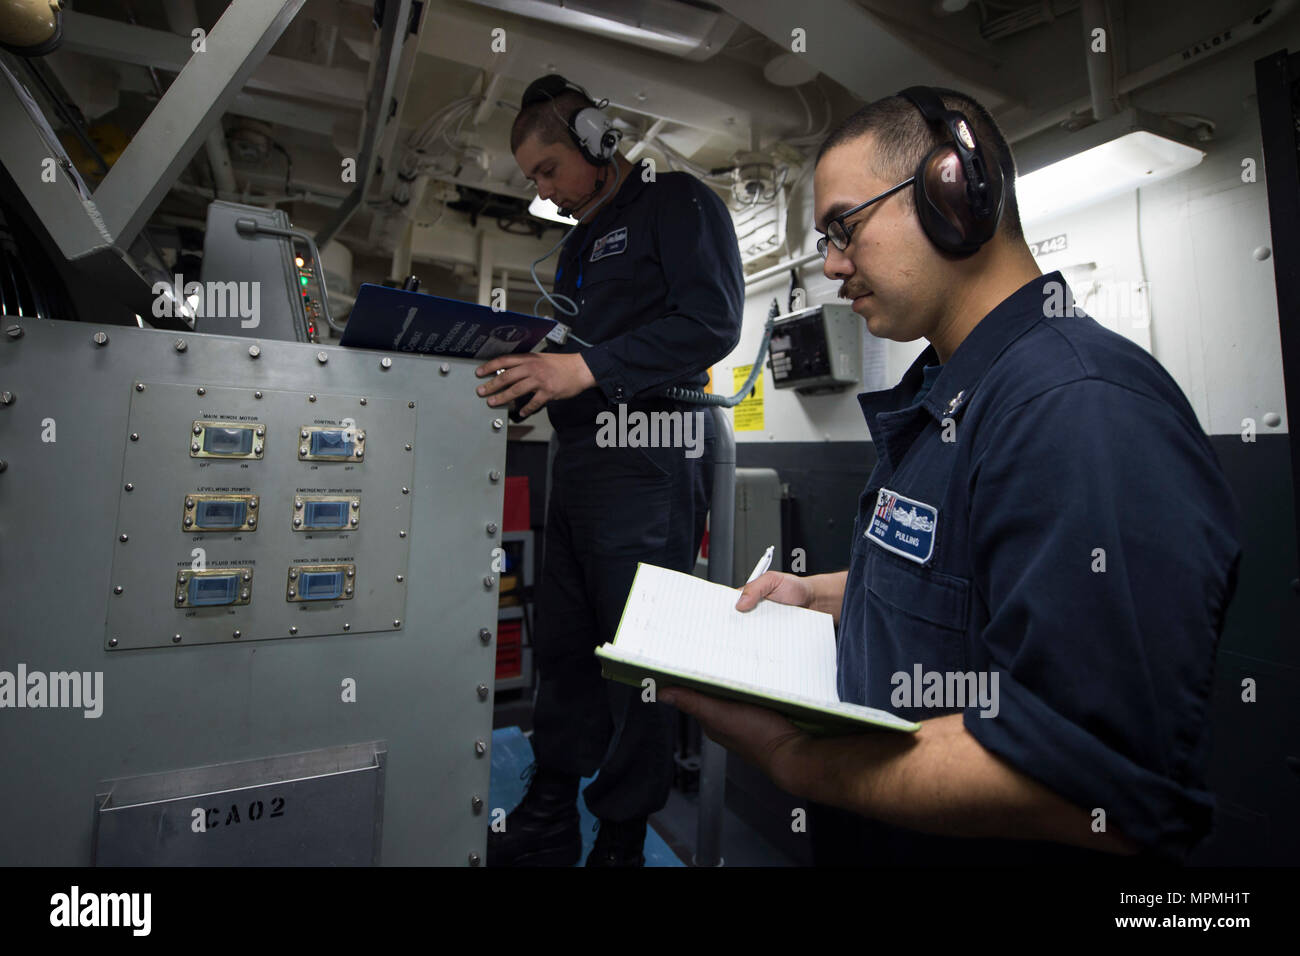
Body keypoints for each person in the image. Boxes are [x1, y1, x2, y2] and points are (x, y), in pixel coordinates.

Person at [662, 86, 1242, 864]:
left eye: (844, 227)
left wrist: (800, 762)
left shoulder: (1077, 408)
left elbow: (1096, 784)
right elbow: (953, 579)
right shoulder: (957, 392)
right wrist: (820, 593)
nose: (832, 264)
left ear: (952, 195)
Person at [475, 75, 743, 866]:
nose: (545, 190)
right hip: (583, 459)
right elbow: (579, 351)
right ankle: (555, 802)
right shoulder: (584, 243)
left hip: (650, 456)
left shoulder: (680, 203)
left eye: (549, 169)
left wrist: (583, 371)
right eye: (532, 180)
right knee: (565, 644)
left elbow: (711, 323)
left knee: (639, 663)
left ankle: (621, 837)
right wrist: (531, 369)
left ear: (597, 141)